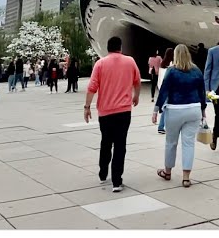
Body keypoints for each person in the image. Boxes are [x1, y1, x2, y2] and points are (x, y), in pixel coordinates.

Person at [84, 36, 141, 192]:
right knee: (120, 145)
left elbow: (91, 88)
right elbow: (137, 81)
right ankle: (117, 181)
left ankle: (103, 173)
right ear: (120, 47)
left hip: (105, 112)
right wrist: (136, 95)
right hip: (123, 111)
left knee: (106, 142)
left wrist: (87, 107)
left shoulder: (100, 64)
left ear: (107, 48)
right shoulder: (130, 61)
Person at [152, 43, 206, 188]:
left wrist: (156, 110)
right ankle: (186, 177)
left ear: (175, 56)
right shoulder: (197, 71)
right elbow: (202, 92)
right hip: (194, 109)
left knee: (171, 142)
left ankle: (167, 171)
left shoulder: (172, 71)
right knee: (188, 144)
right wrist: (203, 111)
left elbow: (163, 91)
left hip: (175, 109)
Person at [156, 47, 174, 134]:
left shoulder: (162, 63)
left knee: (165, 107)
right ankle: (161, 126)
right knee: (166, 108)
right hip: (168, 89)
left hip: (161, 88)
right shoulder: (171, 65)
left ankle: (162, 126)